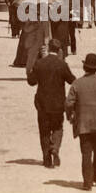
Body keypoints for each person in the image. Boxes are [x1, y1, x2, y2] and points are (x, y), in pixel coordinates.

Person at [66, 53, 96, 190]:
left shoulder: (77, 83)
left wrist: (70, 116)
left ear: (84, 67)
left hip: (83, 124)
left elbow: (68, 103)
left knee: (86, 153)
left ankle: (87, 182)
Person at [27, 39, 75, 168]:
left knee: (44, 131)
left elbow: (31, 81)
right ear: (59, 50)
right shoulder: (62, 65)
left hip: (42, 103)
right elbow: (72, 81)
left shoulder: (40, 63)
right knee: (58, 127)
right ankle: (55, 148)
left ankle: (46, 158)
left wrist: (36, 61)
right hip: (58, 103)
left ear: (48, 48)